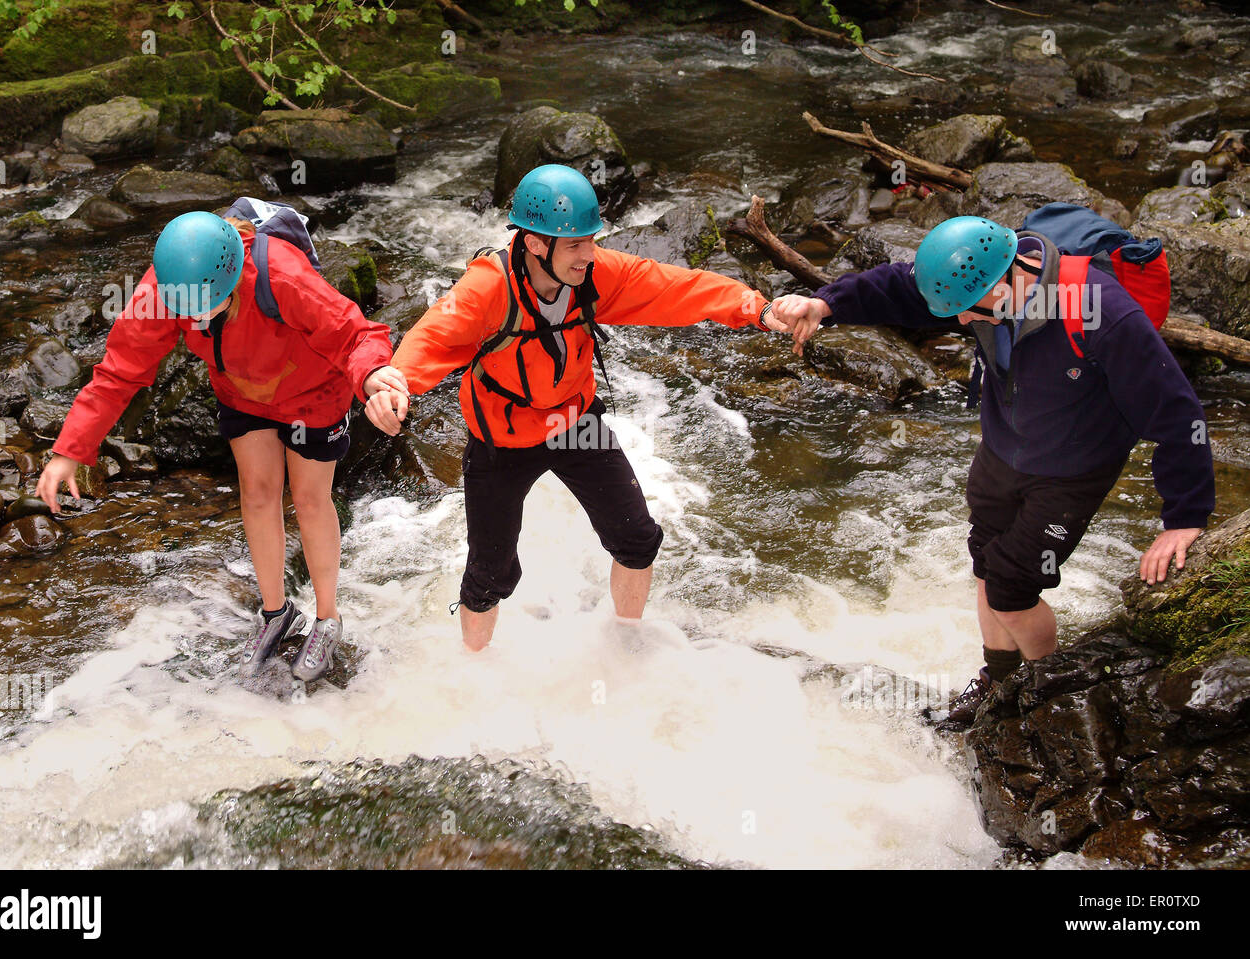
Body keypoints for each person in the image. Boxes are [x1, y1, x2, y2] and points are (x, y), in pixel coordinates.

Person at [769, 215, 1215, 726]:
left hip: (1073, 470)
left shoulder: (1096, 310)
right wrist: (825, 303)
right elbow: (898, 286)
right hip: (1003, 450)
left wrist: (1185, 515)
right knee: (985, 561)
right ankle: (999, 683)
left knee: (1011, 585)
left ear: (1006, 278)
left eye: (967, 312)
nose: (959, 323)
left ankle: (1046, 689)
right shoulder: (977, 279)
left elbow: (1178, 413)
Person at [363, 164, 788, 651]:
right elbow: (433, 335)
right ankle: (473, 671)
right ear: (534, 242)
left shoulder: (594, 274)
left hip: (574, 425)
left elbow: (677, 288)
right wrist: (394, 386)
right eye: (575, 245)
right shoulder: (487, 289)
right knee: (488, 576)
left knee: (638, 539)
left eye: (592, 240)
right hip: (503, 441)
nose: (589, 255)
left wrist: (757, 308)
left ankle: (626, 647)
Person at [35, 209, 398, 682]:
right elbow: (119, 369)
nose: (193, 318)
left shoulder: (280, 274)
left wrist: (372, 377)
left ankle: (327, 619)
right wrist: (71, 448)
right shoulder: (165, 287)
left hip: (312, 391)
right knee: (258, 492)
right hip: (242, 391)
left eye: (206, 307)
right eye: (186, 310)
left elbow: (354, 334)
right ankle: (276, 614)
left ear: (231, 277)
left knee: (309, 500)